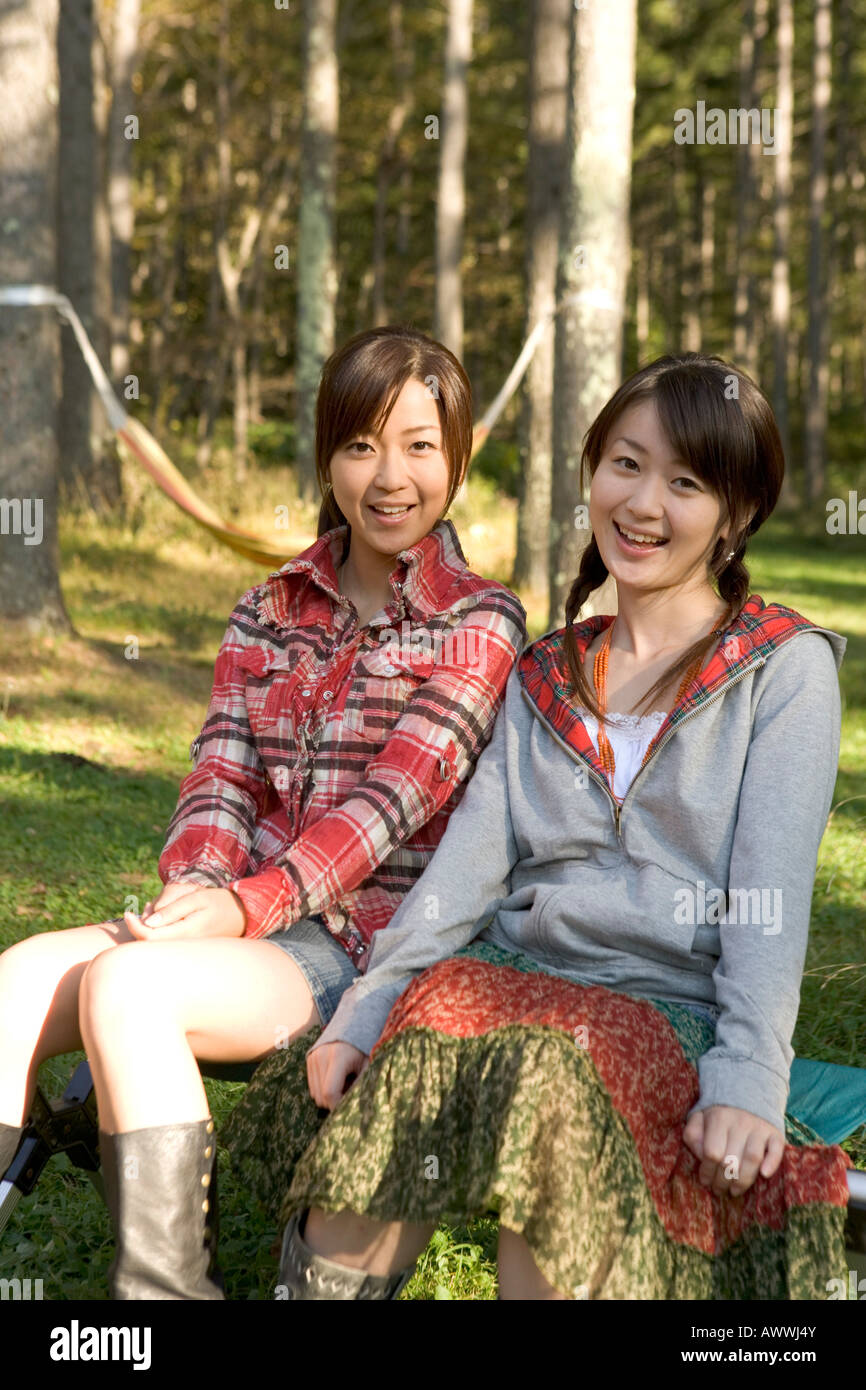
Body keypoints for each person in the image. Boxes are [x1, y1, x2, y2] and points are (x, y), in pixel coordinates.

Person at [223, 351, 854, 1301]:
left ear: (738, 514)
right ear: (593, 472)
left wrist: (748, 1079)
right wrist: (368, 1006)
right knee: (422, 1040)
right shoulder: (547, 672)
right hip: (515, 980)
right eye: (626, 464)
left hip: (664, 1009)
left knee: (551, 1082)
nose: (643, 504)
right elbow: (466, 872)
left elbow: (769, 903)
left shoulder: (783, 669)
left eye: (686, 482)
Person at [0, 324, 526, 1299]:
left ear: (456, 456)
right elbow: (222, 776)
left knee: (127, 988)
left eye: (418, 445)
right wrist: (195, 885)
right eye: (360, 443)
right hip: (248, 918)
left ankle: (162, 1293)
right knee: (17, 979)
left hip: (367, 947)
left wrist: (247, 903)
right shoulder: (266, 608)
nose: (388, 476)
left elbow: (394, 800)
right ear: (326, 454)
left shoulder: (479, 622)